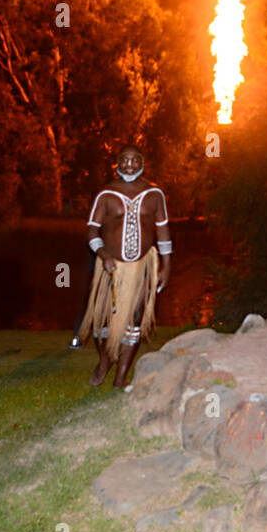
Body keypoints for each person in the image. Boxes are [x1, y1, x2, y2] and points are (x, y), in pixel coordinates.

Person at [78, 145, 172, 389]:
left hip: (143, 266)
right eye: (124, 159)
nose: (129, 164)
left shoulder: (154, 194)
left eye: (134, 159)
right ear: (117, 163)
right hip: (111, 268)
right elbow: (91, 230)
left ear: (142, 162)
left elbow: (162, 231)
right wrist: (103, 253)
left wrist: (166, 266)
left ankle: (120, 379)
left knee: (136, 321)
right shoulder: (106, 194)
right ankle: (104, 361)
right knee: (103, 323)